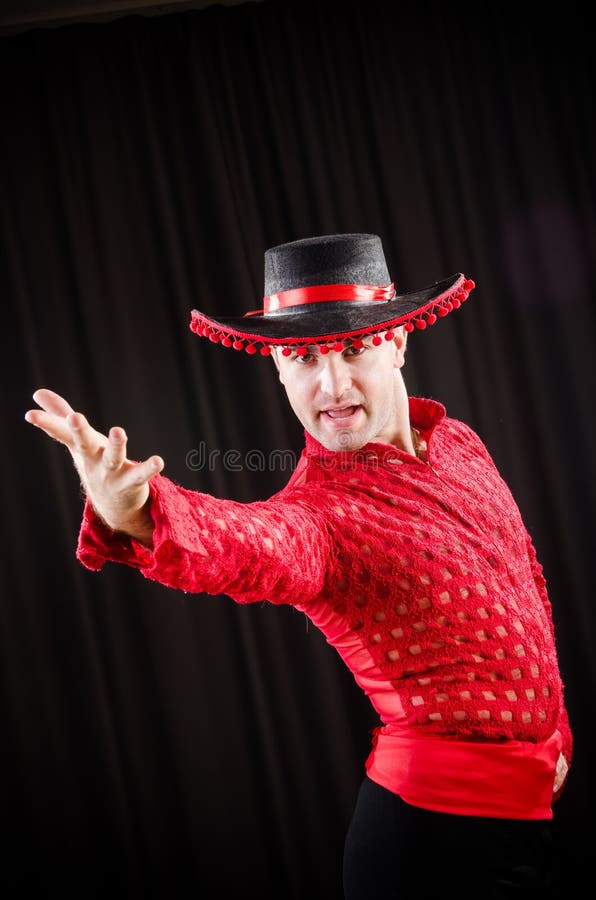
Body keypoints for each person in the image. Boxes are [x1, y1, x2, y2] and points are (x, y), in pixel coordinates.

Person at [25, 233, 571, 898]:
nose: (331, 385)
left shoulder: (459, 443)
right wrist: (133, 509)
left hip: (533, 827)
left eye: (353, 348)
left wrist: (557, 731)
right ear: (279, 369)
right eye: (303, 357)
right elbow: (244, 544)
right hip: (430, 849)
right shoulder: (318, 517)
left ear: (397, 342)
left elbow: (524, 578)